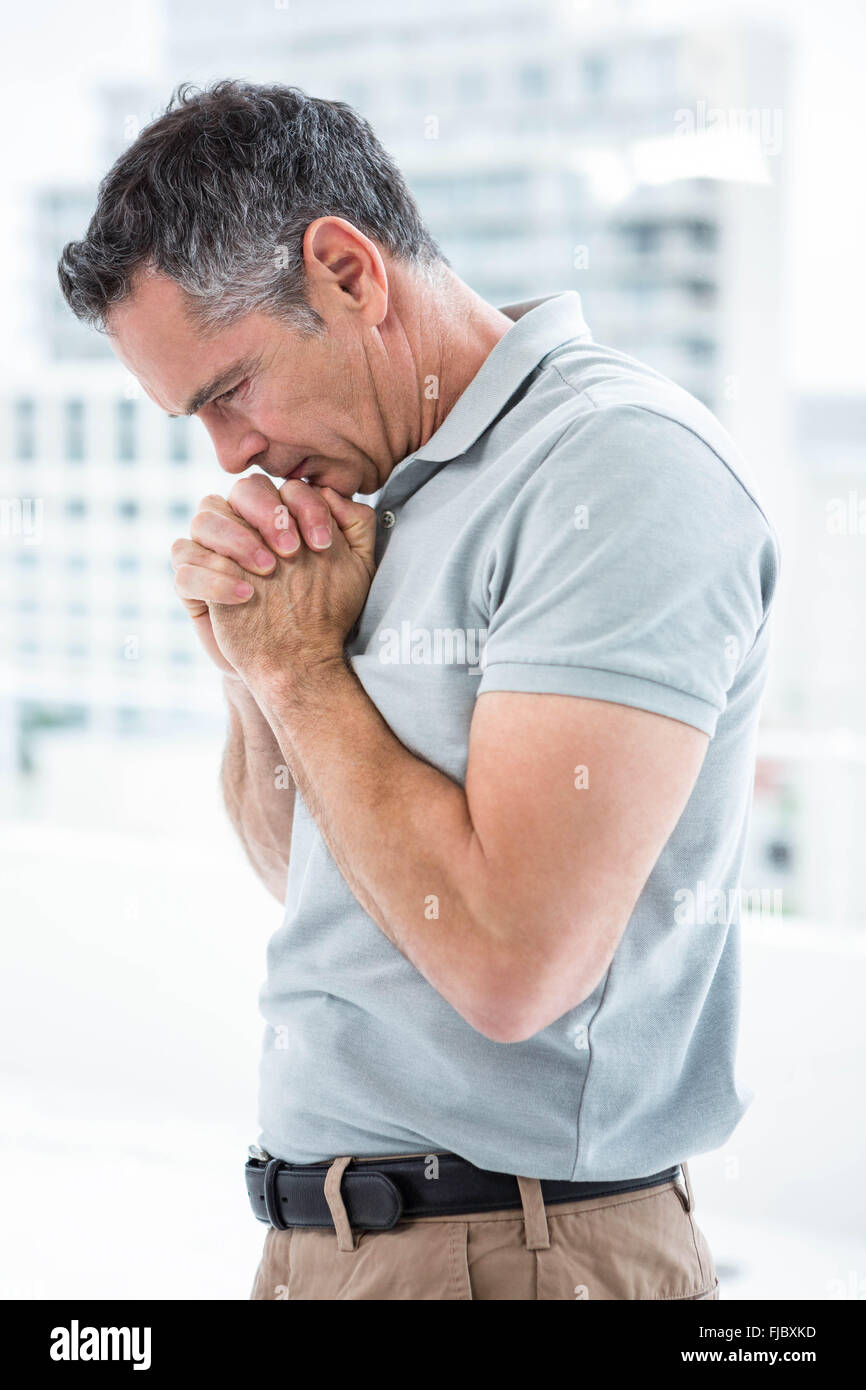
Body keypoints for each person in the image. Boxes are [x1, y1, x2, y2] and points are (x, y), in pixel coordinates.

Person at [58, 80, 778, 1301]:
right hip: (328, 1244)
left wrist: (300, 669)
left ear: (346, 270)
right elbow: (314, 875)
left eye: (227, 390)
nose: (227, 454)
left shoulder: (612, 469)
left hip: (516, 1252)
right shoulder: (380, 497)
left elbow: (509, 963)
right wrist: (258, 671)